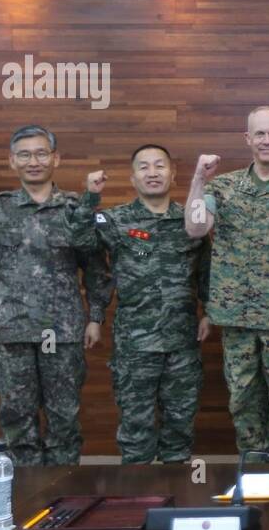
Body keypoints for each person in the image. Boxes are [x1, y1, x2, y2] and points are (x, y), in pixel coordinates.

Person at [0, 125, 110, 466]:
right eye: (24, 155)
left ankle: (62, 501)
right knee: (17, 422)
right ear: (12, 162)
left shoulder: (76, 208)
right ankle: (27, 504)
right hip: (13, 332)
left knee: (64, 421)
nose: (34, 161)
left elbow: (97, 269)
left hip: (62, 332)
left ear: (56, 158)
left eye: (41, 153)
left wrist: (96, 317)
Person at [184, 106, 269, 461]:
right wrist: (198, 179)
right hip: (238, 316)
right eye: (259, 134)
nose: (266, 141)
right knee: (242, 399)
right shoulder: (224, 186)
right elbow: (195, 228)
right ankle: (252, 471)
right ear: (247, 139)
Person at [71, 144, 211, 463]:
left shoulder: (190, 220)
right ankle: (137, 506)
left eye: (160, 166)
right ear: (133, 178)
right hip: (135, 345)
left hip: (182, 343)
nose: (152, 173)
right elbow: (80, 242)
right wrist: (90, 197)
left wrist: (210, 311)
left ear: (173, 174)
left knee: (180, 431)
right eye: (144, 167)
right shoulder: (115, 220)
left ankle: (175, 503)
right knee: (136, 434)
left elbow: (206, 270)